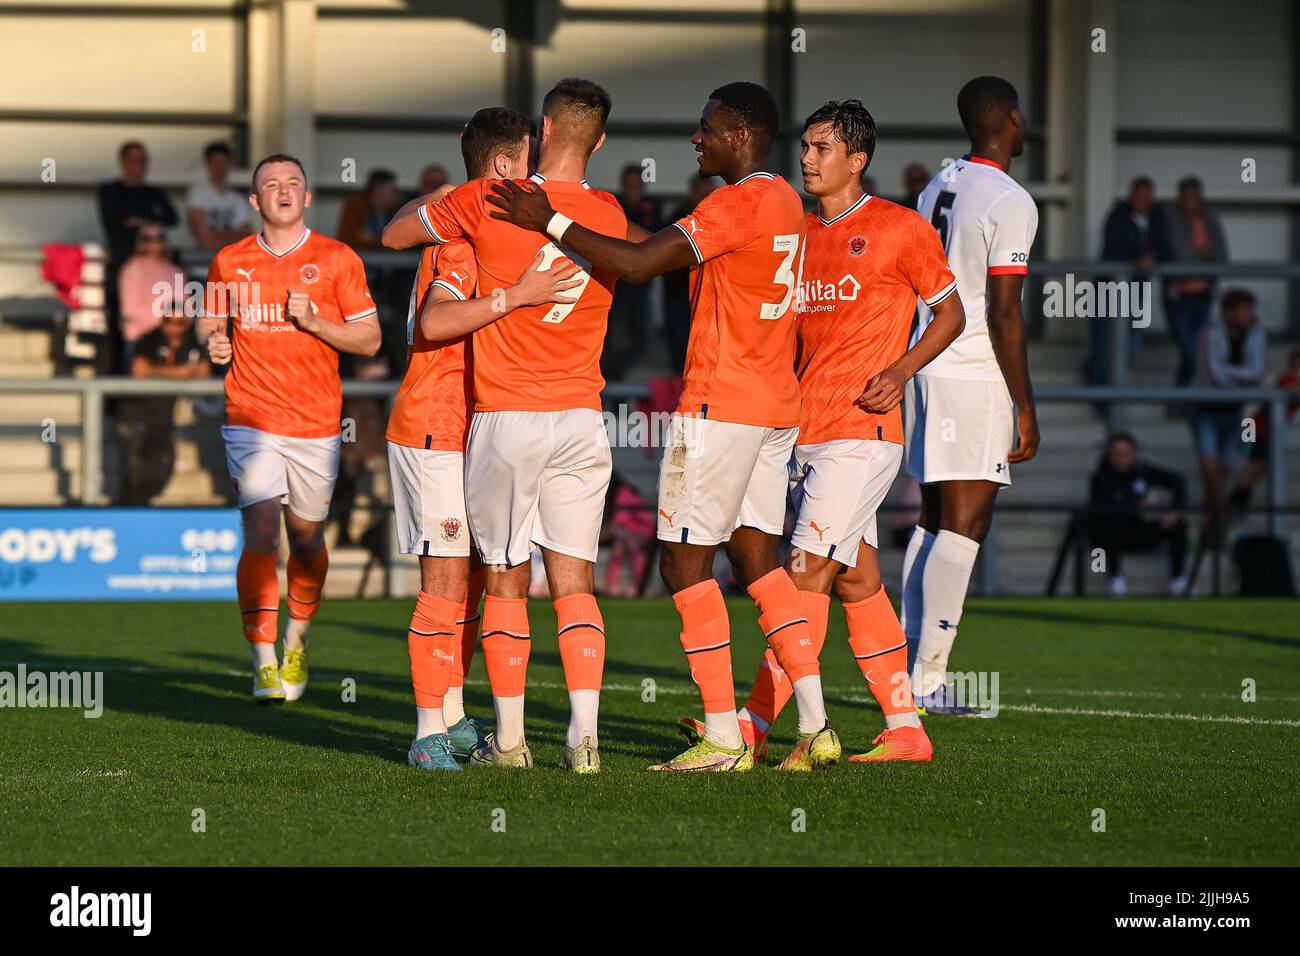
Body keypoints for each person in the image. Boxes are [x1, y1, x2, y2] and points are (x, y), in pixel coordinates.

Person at [487, 81, 832, 773]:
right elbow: (665, 252)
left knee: (681, 562)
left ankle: (722, 737)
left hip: (720, 404)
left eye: (706, 127)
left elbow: (642, 265)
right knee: (759, 564)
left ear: (740, 135)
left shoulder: (734, 202)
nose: (695, 138)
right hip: (774, 406)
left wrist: (548, 219)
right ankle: (817, 726)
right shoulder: (785, 202)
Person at [677, 100, 964, 765]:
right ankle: (906, 729)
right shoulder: (797, 234)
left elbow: (950, 312)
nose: (807, 158)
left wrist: (901, 371)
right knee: (857, 580)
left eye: (822, 148)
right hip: (799, 432)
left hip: (861, 435)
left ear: (857, 159)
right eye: (804, 146)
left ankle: (754, 725)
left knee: (801, 577)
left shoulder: (899, 228)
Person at [384, 78, 627, 773]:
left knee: (492, 579)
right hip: (445, 418)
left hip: (492, 420)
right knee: (460, 582)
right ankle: (438, 729)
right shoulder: (598, 211)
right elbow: (429, 319)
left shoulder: (483, 214)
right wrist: (515, 294)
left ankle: (475, 728)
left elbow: (396, 229)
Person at [200, 154, 381, 704]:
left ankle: (297, 636)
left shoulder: (337, 258)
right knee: (259, 532)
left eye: (293, 184)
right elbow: (209, 316)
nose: (282, 191)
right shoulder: (230, 260)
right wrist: (213, 340)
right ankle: (261, 661)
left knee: (304, 539)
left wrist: (316, 323)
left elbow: (370, 340)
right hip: (251, 418)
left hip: (316, 422)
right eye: (271, 185)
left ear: (307, 198)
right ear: (255, 202)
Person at [901, 76, 1040, 716]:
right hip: (971, 369)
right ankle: (926, 682)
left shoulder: (940, 182)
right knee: (965, 522)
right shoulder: (1009, 198)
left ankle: (906, 674)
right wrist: (1026, 405)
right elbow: (1006, 314)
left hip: (928, 359)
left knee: (934, 517)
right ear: (1011, 119)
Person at [115, 311, 210, 505]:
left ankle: (140, 508)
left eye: (180, 322)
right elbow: (139, 370)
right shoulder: (150, 340)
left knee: (162, 467)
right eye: (169, 321)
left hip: (163, 418)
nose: (174, 327)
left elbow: (204, 370)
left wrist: (164, 374)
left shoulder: (191, 344)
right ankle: (128, 513)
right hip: (137, 414)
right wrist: (178, 373)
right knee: (135, 472)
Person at [97, 141, 179, 367]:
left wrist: (137, 220)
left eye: (143, 159)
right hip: (122, 264)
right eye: (134, 159)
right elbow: (114, 223)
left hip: (156, 291)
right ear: (123, 162)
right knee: (118, 330)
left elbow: (172, 218)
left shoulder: (169, 269)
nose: (139, 165)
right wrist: (148, 216)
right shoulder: (110, 191)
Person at [1192, 288, 1266, 533]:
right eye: (1245, 310)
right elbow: (1212, 374)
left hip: (1236, 411)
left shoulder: (1255, 334)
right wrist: (1239, 378)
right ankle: (1220, 516)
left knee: (1222, 469)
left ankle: (1212, 521)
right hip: (1205, 409)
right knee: (1209, 466)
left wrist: (1230, 374)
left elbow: (1257, 373)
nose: (1249, 315)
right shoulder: (1209, 334)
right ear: (1229, 313)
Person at [1088, 176, 1170, 385]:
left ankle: (1113, 389)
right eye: (1140, 196)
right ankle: (1103, 396)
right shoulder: (1117, 217)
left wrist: (1153, 256)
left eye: (1148, 197)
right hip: (1108, 292)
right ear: (1131, 197)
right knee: (1105, 346)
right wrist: (1137, 260)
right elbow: (1112, 249)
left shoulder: (1158, 218)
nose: (1144, 201)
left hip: (1136, 291)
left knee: (1130, 347)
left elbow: (1166, 247)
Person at [1087, 433, 1188, 597]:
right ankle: (1115, 579)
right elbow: (1101, 509)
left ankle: (1177, 580)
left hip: (1139, 529)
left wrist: (1173, 511)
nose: (1122, 458)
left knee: (1178, 525)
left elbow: (1177, 481)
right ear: (1110, 454)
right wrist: (1136, 506)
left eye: (1126, 454)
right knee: (1108, 527)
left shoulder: (1142, 471)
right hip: (1111, 536)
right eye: (1117, 454)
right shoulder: (1100, 477)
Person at [1166, 175, 1228, 390]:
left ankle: (1180, 400)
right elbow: (1178, 253)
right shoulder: (1170, 218)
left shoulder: (1210, 219)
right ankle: (1184, 398)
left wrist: (1200, 255)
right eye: (1186, 197)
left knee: (1196, 350)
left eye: (1194, 196)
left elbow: (1221, 256)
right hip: (1178, 295)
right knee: (1191, 350)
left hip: (1204, 293)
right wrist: (1203, 255)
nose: (1190, 201)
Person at [603, 163, 665, 379]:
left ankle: (615, 374)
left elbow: (658, 242)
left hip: (641, 285)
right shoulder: (613, 205)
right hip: (615, 285)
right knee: (610, 339)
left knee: (641, 339)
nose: (632, 189)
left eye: (636, 185)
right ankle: (611, 382)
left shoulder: (652, 207)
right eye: (629, 185)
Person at [1230, 347, 1300, 510]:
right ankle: (1235, 502)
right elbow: (1292, 391)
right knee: (1253, 465)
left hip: (1268, 432)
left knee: (1259, 467)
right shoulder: (1286, 380)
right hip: (1255, 428)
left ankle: (1240, 499)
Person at [662, 174, 718, 373]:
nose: (705, 197)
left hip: (709, 297)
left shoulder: (720, 218)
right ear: (693, 193)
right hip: (680, 295)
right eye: (702, 193)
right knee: (680, 350)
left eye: (709, 193)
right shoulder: (680, 217)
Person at [116, 222, 184, 356]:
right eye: (147, 239)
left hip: (172, 341)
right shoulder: (132, 268)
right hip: (141, 340)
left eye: (159, 238)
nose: (153, 243)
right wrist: (166, 324)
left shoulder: (175, 270)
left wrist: (173, 326)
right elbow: (130, 309)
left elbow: (185, 307)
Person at [186, 142, 253, 251]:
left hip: (232, 263)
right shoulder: (197, 194)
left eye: (224, 163)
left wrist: (215, 236)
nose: (220, 169)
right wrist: (234, 236)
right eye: (216, 163)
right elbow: (204, 240)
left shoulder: (238, 199)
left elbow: (247, 239)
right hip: (202, 264)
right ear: (208, 164)